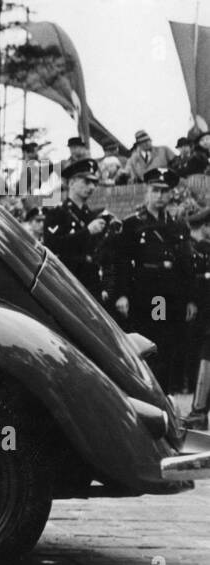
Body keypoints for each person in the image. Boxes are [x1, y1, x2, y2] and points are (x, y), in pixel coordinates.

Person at [103, 168, 194, 392]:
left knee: (169, 345)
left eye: (165, 191)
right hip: (149, 295)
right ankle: (150, 392)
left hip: (172, 295)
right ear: (147, 191)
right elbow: (122, 261)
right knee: (151, 342)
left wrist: (191, 299)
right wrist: (122, 294)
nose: (160, 196)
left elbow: (186, 265)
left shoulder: (178, 226)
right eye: (155, 190)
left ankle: (165, 392)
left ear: (171, 194)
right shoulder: (133, 225)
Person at [44, 159, 109, 301]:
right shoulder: (57, 213)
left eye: (94, 183)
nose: (91, 187)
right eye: (86, 182)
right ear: (72, 183)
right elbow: (52, 245)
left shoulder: (90, 215)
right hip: (69, 282)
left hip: (92, 283)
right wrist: (87, 232)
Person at [181, 206, 210, 427]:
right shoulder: (189, 248)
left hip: (194, 312)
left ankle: (199, 409)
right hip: (158, 304)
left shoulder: (200, 249)